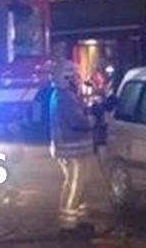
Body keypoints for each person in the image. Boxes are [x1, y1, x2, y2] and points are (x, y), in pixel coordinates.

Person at [49, 60, 96, 237]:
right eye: (74, 76)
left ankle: (80, 220)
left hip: (73, 149)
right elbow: (77, 121)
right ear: (66, 77)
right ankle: (68, 225)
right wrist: (93, 119)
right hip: (72, 149)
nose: (77, 79)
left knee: (81, 184)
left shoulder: (63, 95)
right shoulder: (64, 97)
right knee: (75, 185)